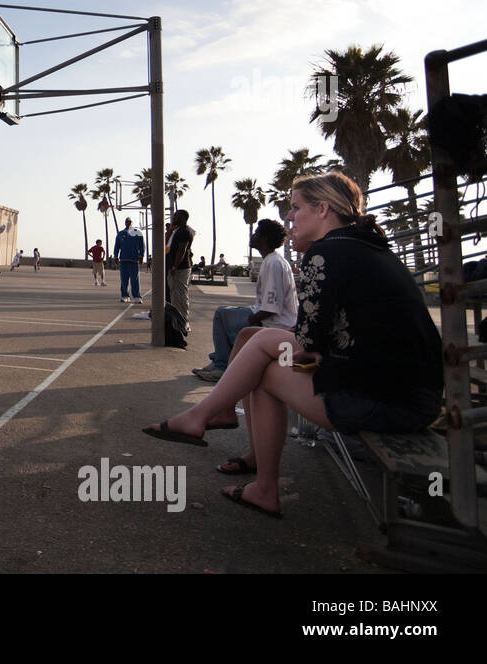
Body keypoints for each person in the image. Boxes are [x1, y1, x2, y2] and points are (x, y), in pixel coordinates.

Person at [142, 172, 442, 517]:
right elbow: (318, 344)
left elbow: (307, 348)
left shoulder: (326, 254)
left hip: (387, 402)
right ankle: (223, 424)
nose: (288, 217)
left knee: (265, 371)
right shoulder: (363, 246)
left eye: (296, 207)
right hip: (412, 394)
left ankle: (256, 476)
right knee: (257, 340)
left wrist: (285, 360)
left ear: (323, 209)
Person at [192, 220, 297, 383]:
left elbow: (271, 308)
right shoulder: (272, 260)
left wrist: (249, 321)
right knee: (227, 314)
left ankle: (221, 366)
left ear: (264, 238)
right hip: (270, 317)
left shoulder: (274, 263)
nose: (252, 236)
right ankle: (219, 361)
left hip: (277, 323)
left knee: (223, 314)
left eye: (256, 233)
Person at [168, 209, 196, 328]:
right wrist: (170, 231)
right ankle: (176, 320)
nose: (173, 218)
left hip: (180, 268)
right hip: (175, 267)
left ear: (183, 218)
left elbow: (182, 250)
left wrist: (175, 266)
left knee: (181, 295)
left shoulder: (184, 232)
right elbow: (167, 245)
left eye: (176, 216)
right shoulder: (177, 231)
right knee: (175, 295)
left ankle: (184, 321)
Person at [113, 218, 145, 303]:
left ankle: (137, 296)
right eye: (126, 222)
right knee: (124, 279)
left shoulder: (138, 233)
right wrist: (116, 256)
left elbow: (142, 245)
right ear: (125, 223)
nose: (128, 223)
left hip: (134, 260)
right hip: (123, 259)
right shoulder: (120, 234)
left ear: (132, 223)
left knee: (135, 279)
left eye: (129, 222)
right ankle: (125, 295)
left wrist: (141, 256)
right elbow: (117, 246)